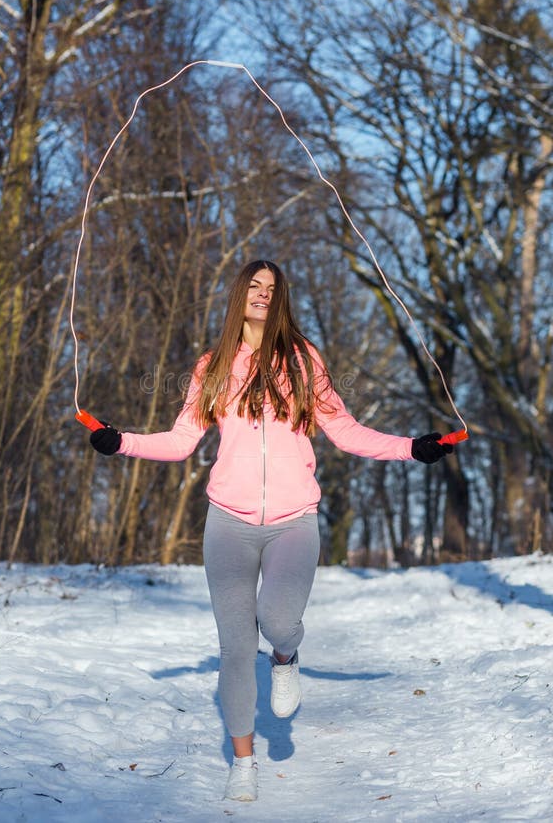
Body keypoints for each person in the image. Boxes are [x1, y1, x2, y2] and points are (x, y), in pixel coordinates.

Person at [89, 259, 453, 802]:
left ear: (281, 299)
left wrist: (411, 448)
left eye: (272, 288)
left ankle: (286, 656)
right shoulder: (212, 366)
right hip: (227, 523)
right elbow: (181, 440)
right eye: (254, 287)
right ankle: (243, 761)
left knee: (278, 620)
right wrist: (122, 442)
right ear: (241, 296)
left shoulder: (305, 361)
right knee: (235, 648)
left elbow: (345, 431)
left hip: (293, 521)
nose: (263, 294)